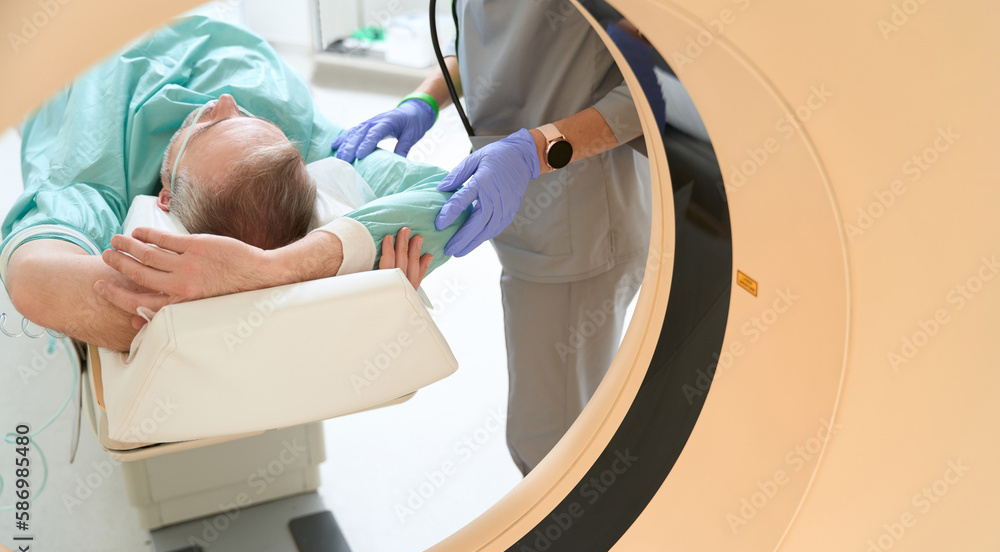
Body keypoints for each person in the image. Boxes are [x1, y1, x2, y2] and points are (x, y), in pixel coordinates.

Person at [2, 15, 464, 353]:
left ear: (167, 196)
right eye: (249, 117)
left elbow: (32, 279)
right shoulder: (313, 146)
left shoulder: (99, 168)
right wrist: (299, 272)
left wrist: (246, 287)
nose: (224, 101)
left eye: (206, 128)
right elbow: (457, 198)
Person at [332, 1, 652, 474]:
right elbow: (489, 51)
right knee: (558, 428)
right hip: (531, 220)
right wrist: (421, 100)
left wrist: (536, 151)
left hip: (580, 221)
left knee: (551, 446)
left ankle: (576, 544)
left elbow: (654, 83)